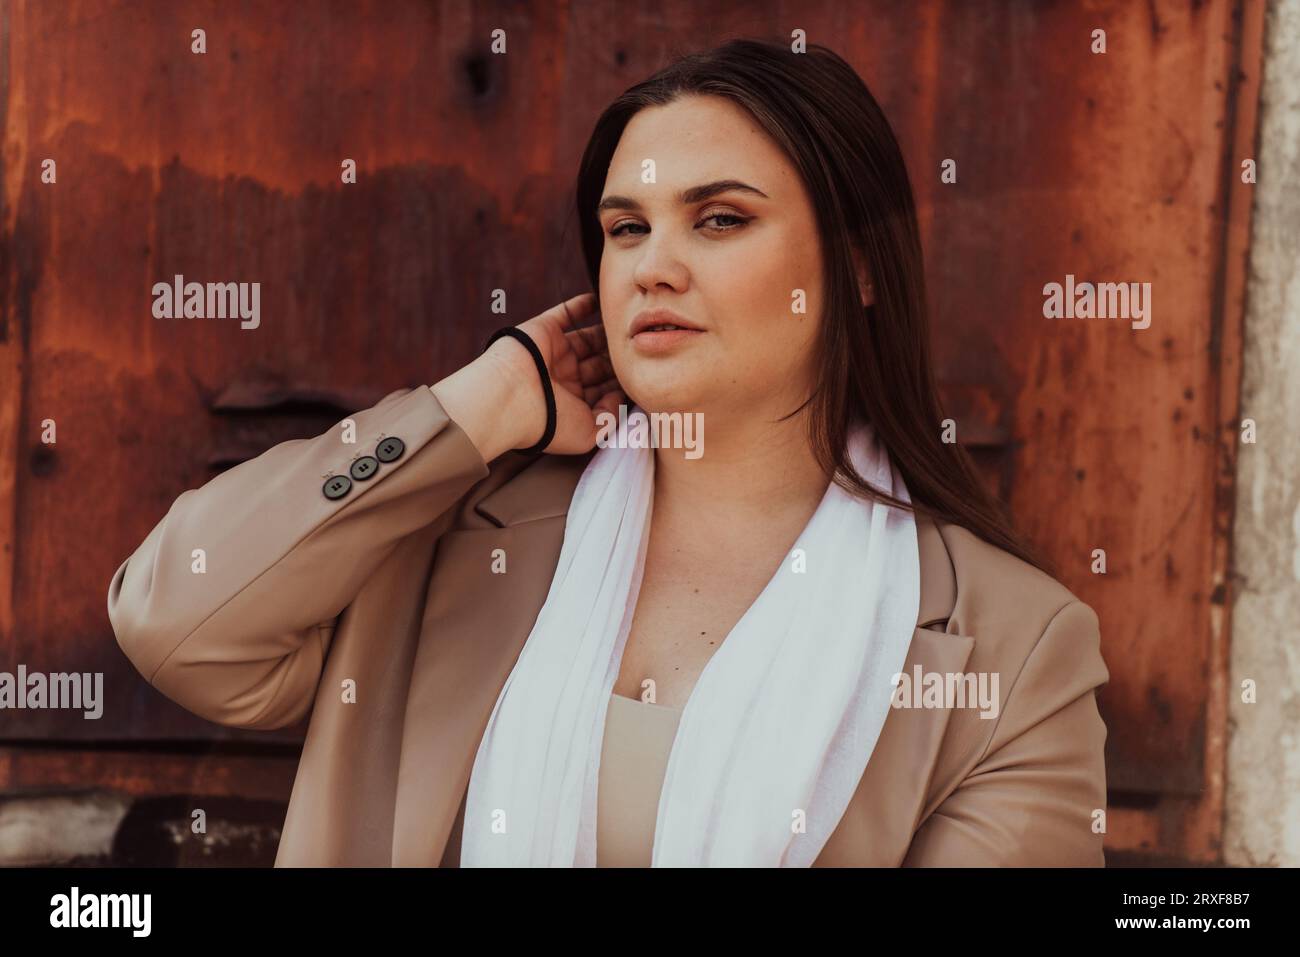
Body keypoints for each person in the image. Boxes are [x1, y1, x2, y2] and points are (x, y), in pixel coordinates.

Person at [107, 38, 1108, 867]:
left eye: (719, 220)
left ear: (853, 269)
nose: (651, 268)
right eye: (625, 228)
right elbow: (178, 626)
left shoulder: (1015, 653)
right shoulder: (450, 521)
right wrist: (470, 408)